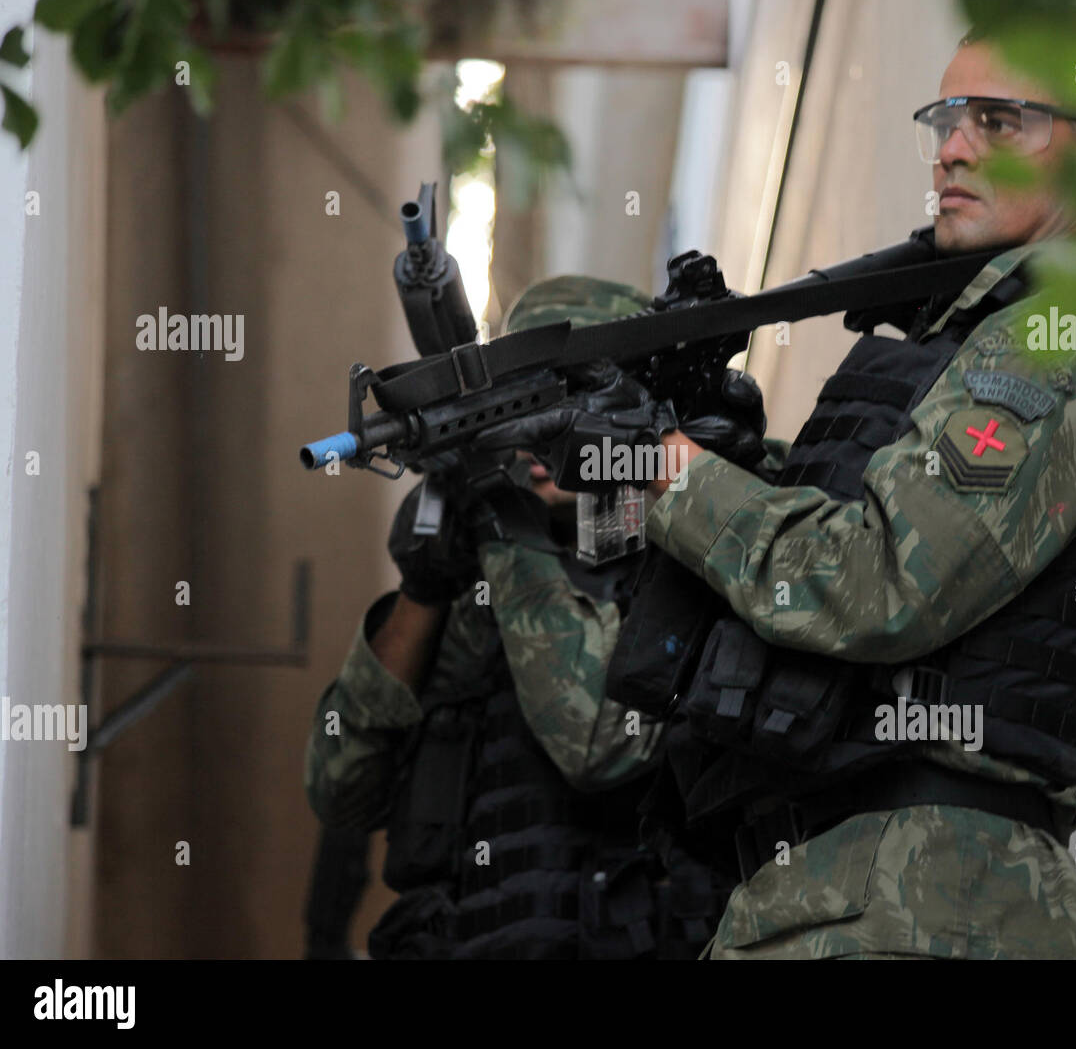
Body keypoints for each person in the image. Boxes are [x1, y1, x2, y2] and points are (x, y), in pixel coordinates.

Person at [477, 8, 1076, 959]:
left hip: (924, 903)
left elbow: (872, 583)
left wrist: (663, 464)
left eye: (1001, 123)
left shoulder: (1067, 335)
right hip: (838, 897)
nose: (954, 152)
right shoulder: (963, 340)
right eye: (947, 122)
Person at [303, 276, 745, 960]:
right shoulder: (483, 580)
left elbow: (594, 740)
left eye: (564, 400)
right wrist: (425, 587)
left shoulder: (700, 545)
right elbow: (341, 791)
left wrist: (498, 519)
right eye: (521, 405)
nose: (541, 437)